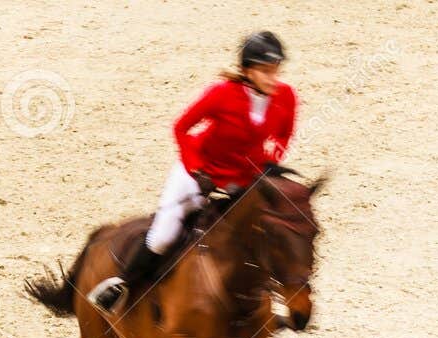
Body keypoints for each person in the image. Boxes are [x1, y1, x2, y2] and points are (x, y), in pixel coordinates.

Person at [88, 31, 298, 313]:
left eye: (276, 70)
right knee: (164, 235)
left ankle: (276, 298)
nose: (273, 77)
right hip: (198, 176)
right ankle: (121, 287)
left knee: (269, 230)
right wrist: (197, 169)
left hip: (243, 181)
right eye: (265, 70)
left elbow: (284, 134)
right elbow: (181, 127)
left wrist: (271, 160)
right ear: (248, 71)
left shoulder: (286, 97)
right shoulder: (222, 95)